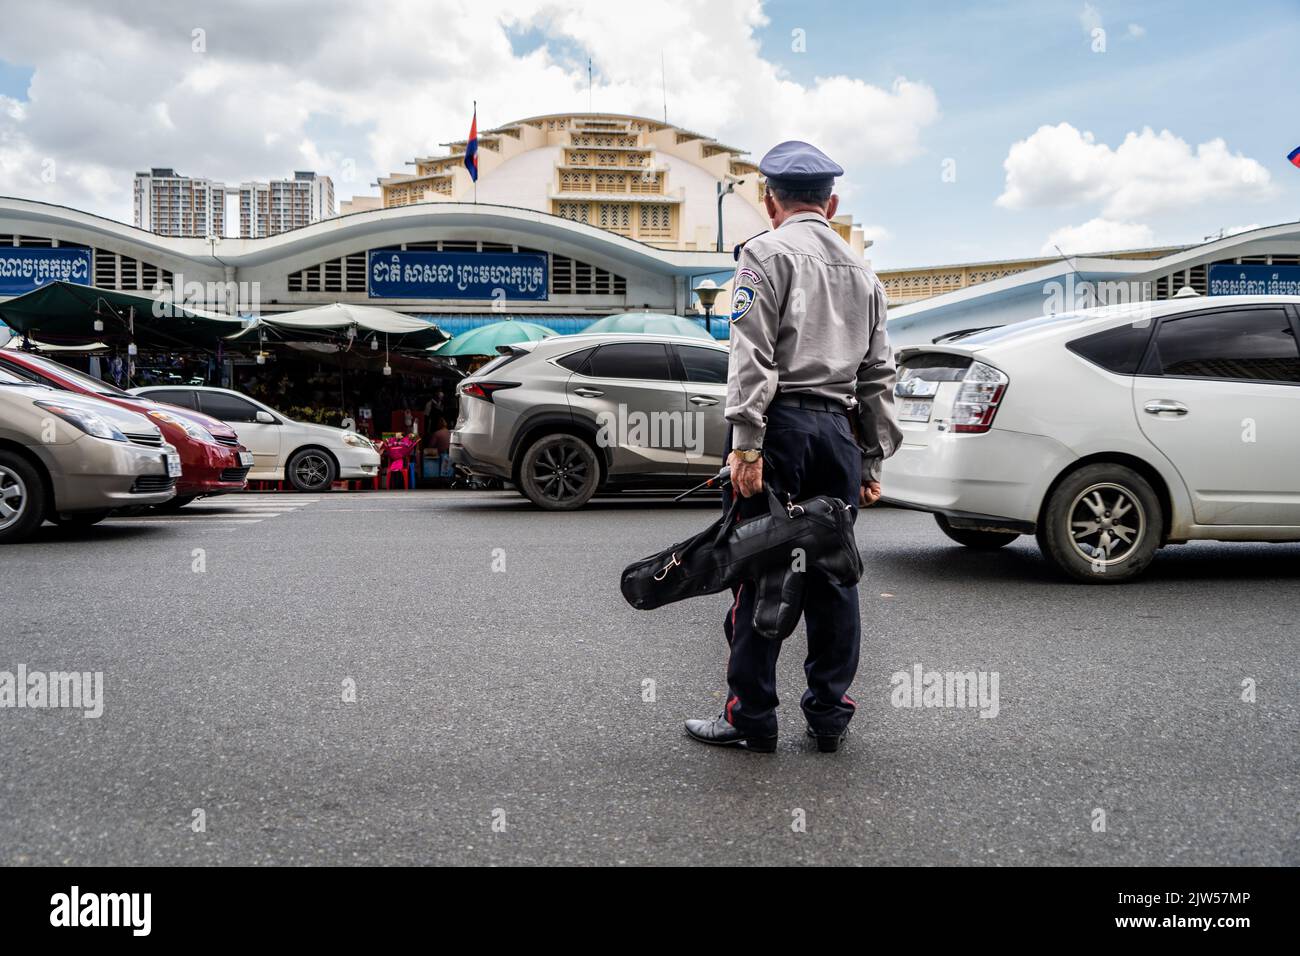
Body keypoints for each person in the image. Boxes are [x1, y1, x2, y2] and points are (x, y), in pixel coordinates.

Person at [685, 140, 903, 755]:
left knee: (759, 567)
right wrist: (871, 456)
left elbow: (750, 353)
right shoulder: (864, 273)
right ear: (830, 204)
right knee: (835, 573)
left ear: (768, 200)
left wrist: (746, 445)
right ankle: (829, 715)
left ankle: (752, 717)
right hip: (838, 434)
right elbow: (879, 374)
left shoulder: (763, 251)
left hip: (780, 430)